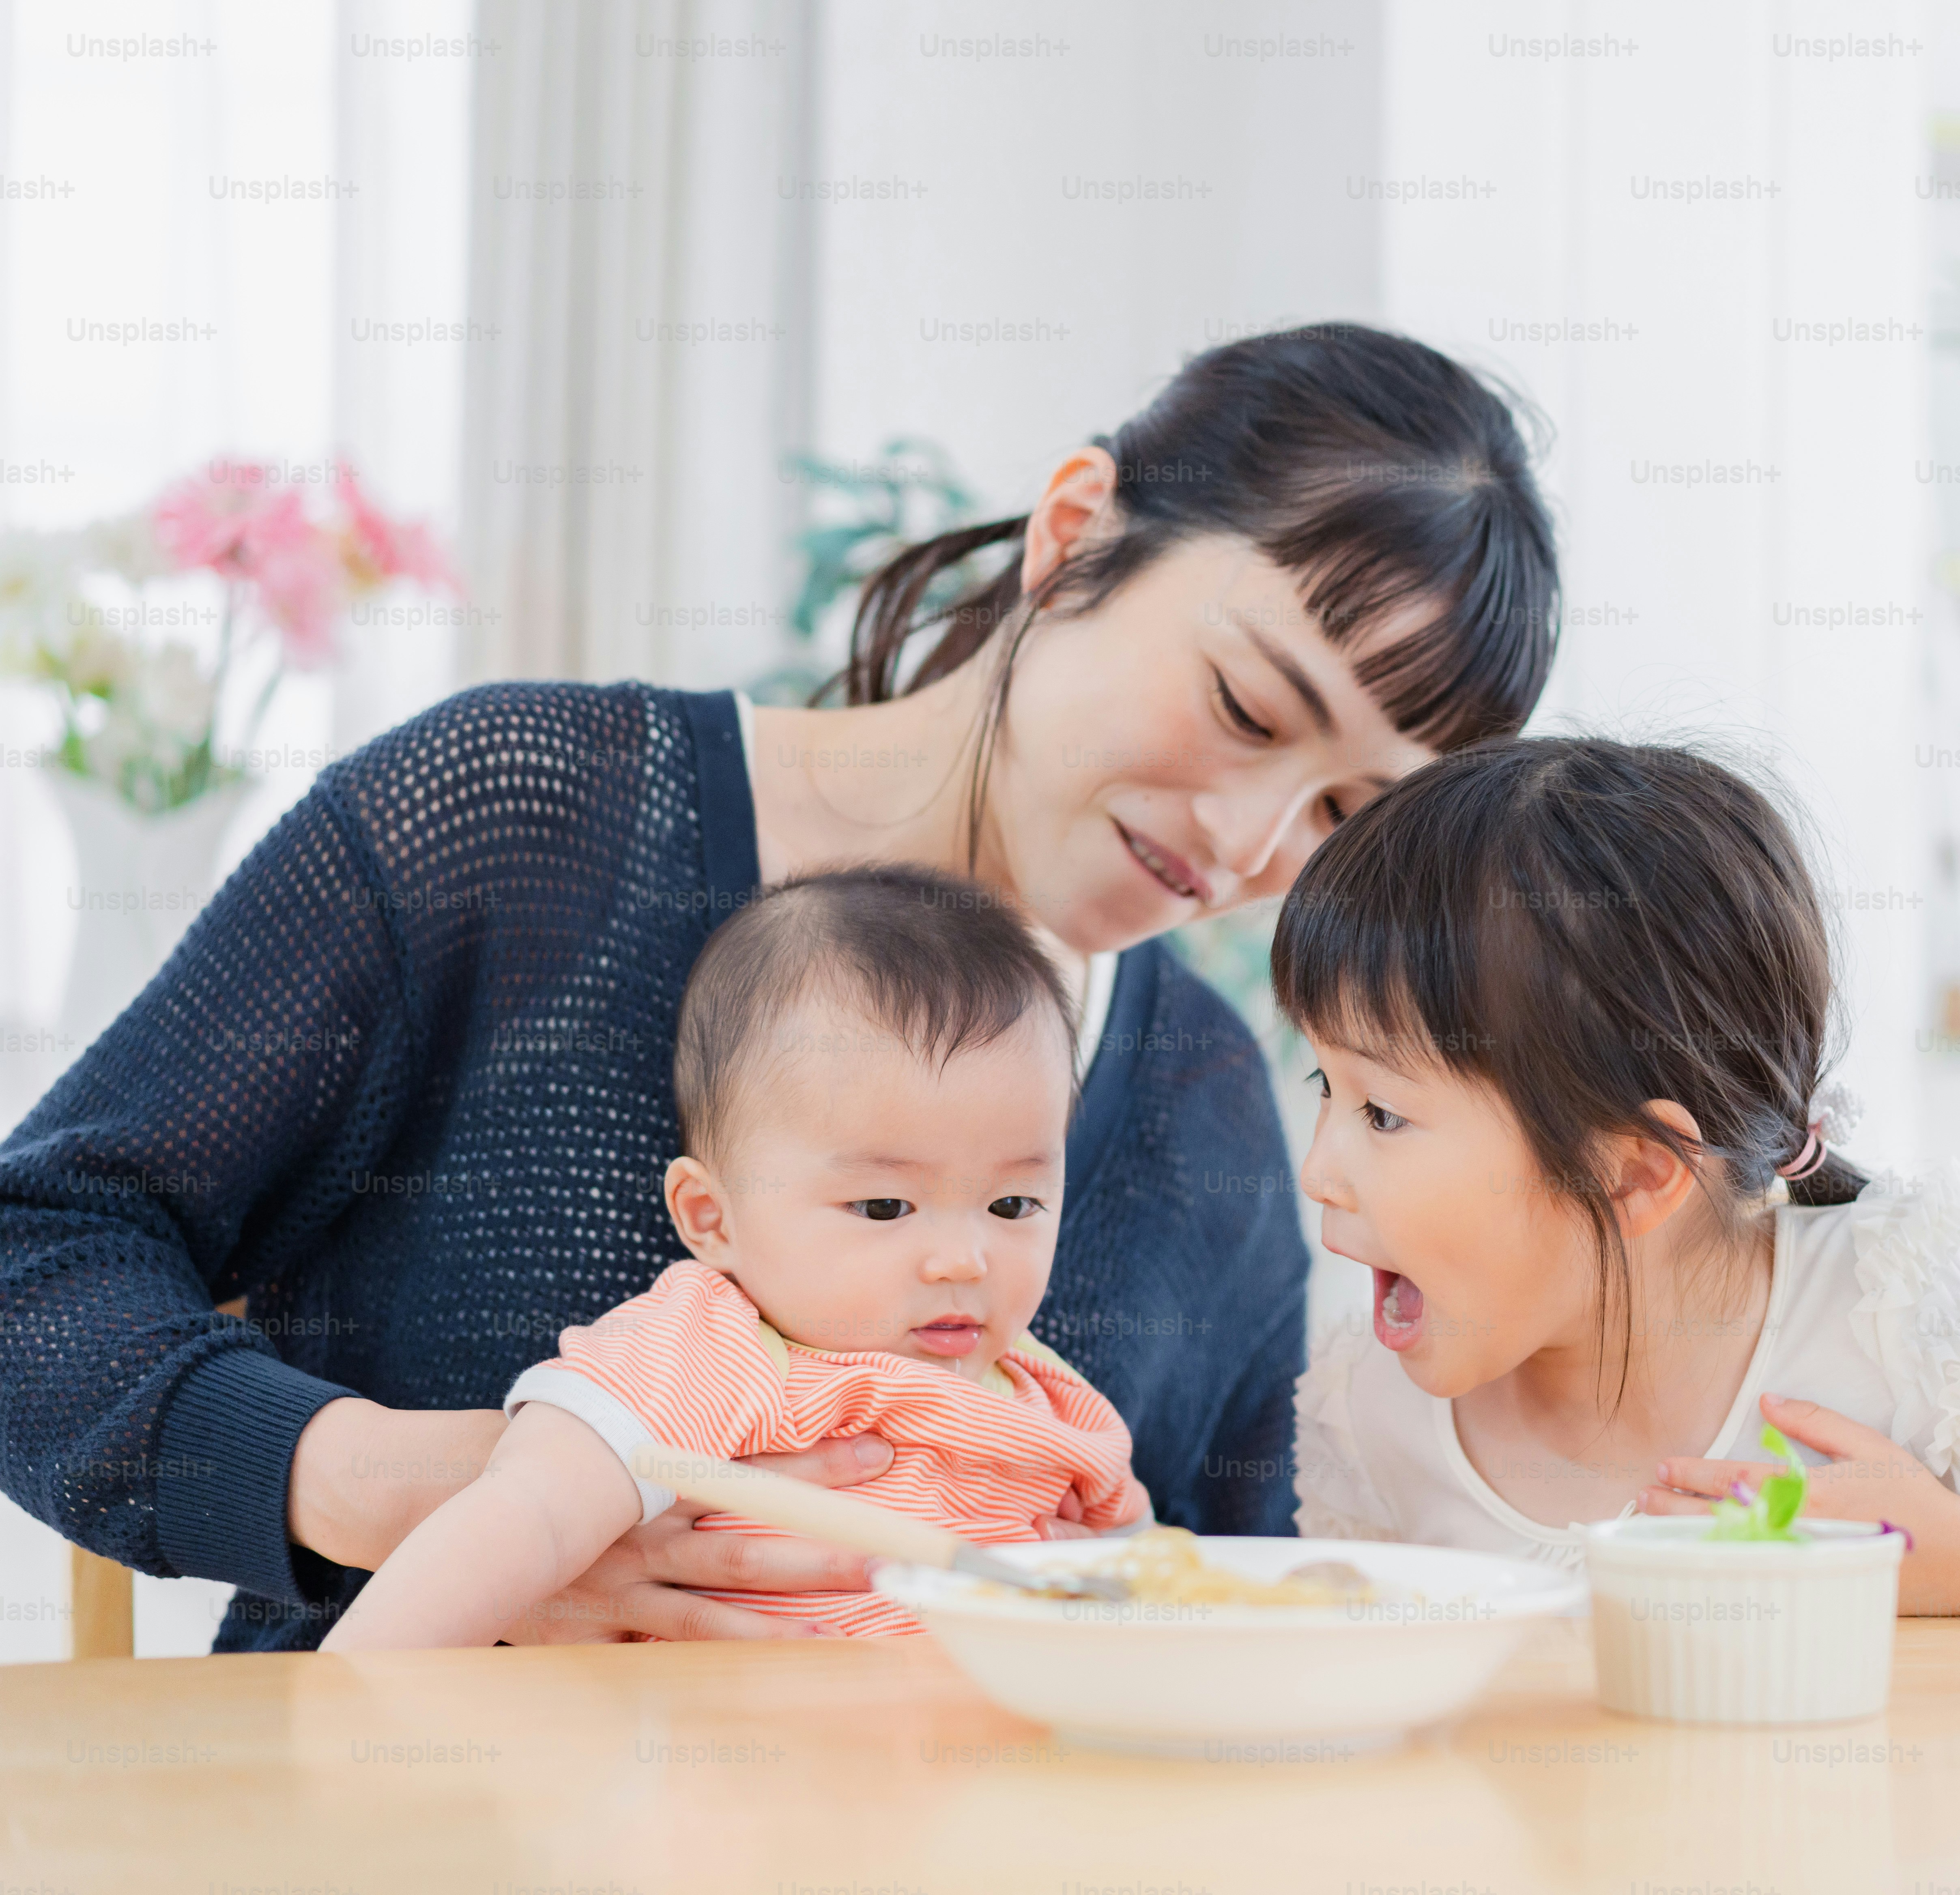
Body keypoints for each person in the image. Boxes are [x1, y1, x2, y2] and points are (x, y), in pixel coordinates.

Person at [0, 322, 1558, 1648]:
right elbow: (36, 1253)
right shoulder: (523, 827)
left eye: (1347, 816)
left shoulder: (1210, 1111)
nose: (1245, 842)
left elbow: (1222, 1605)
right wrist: (404, 1493)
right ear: (1075, 531)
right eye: (1241, 705)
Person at [1277, 738, 1960, 1613]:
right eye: (1322, 1083)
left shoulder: (1908, 1309)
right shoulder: (1367, 1414)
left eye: (1382, 1113)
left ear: (1636, 1174)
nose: (1315, 1172)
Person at [328, 867, 1142, 1650]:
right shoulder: (709, 1351)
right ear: (712, 1217)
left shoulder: (1056, 1402)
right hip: (722, 1772)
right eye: (886, 1206)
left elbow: (1155, 1585)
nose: (964, 1260)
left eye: (1012, 1205)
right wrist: (342, 1707)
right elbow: (524, 1516)